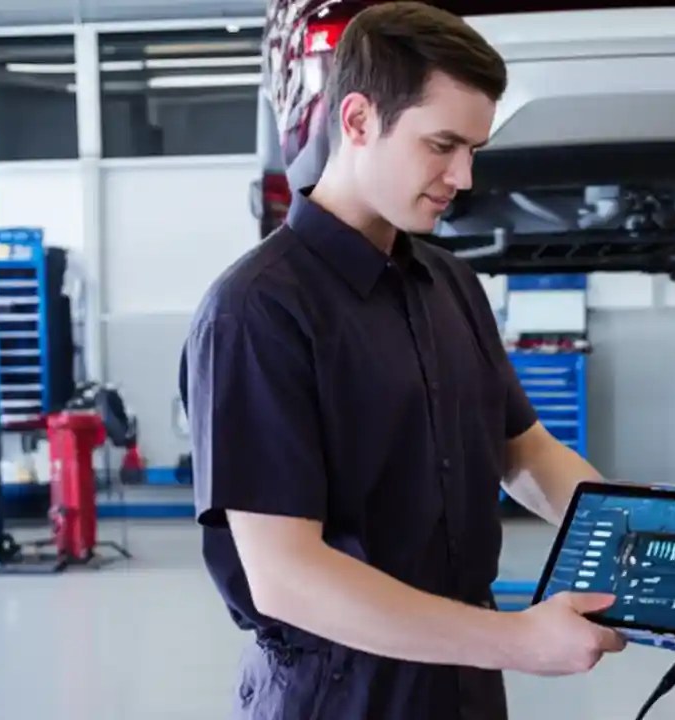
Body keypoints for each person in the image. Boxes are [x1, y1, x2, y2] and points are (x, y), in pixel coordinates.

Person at [179, 3, 626, 718]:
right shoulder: (256, 311)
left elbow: (525, 452)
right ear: (358, 120)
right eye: (442, 145)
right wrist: (516, 641)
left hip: (462, 684)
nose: (464, 176)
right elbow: (286, 576)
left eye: (473, 150)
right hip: (338, 694)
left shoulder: (451, 283)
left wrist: (635, 531)